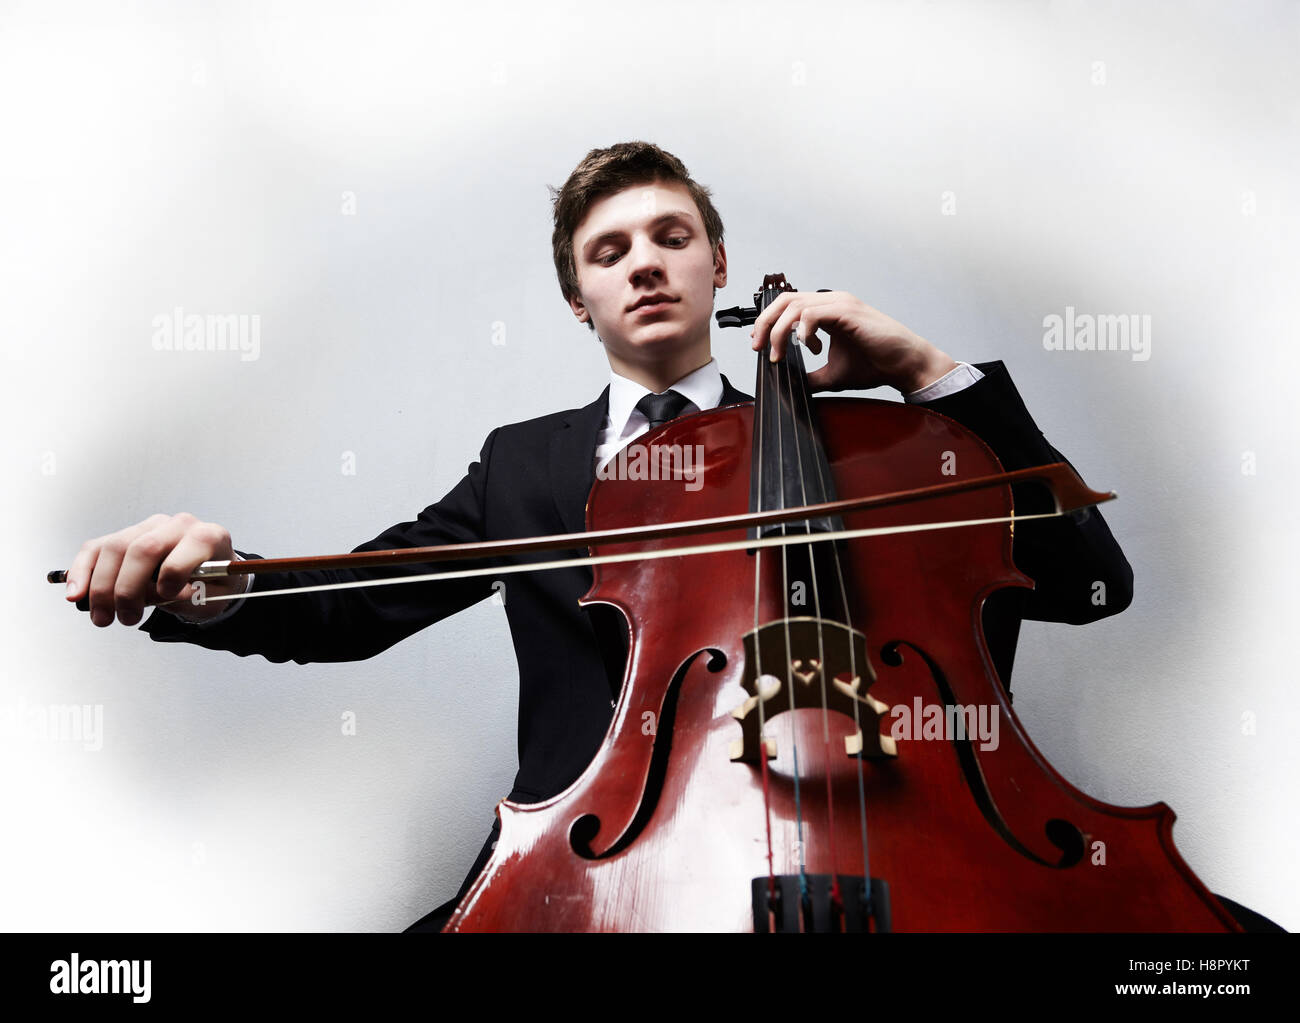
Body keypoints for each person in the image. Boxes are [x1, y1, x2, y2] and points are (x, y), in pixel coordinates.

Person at [63, 141, 1269, 932]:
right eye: (608, 251)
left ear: (717, 264)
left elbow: (1088, 582)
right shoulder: (526, 465)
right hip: (605, 870)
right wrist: (206, 582)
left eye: (671, 236)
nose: (643, 261)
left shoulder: (872, 452)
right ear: (575, 299)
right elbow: (353, 610)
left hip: (923, 844)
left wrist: (927, 373)